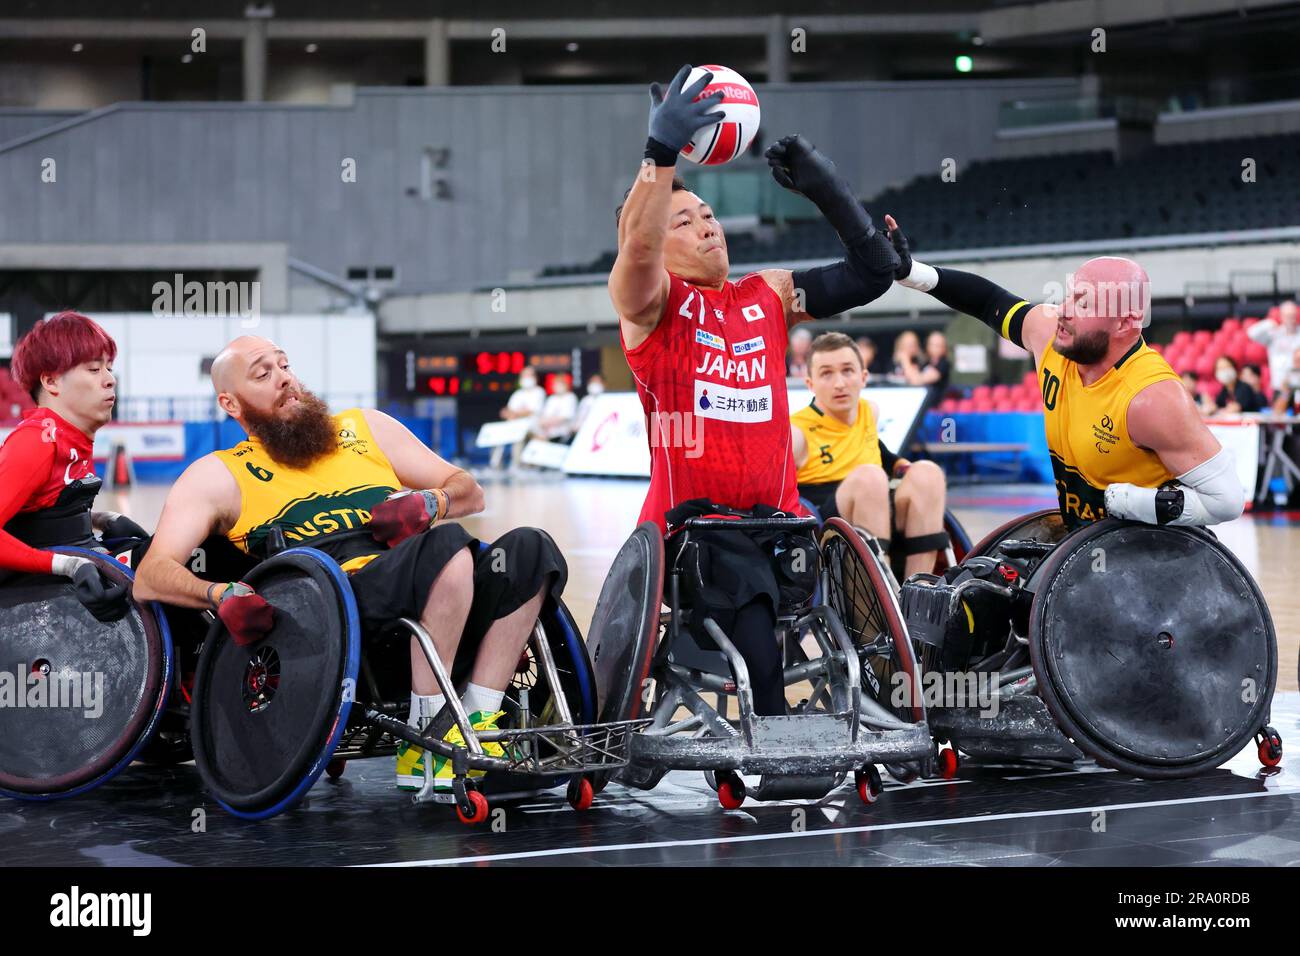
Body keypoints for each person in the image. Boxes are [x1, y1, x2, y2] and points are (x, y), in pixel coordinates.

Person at [133, 335, 568, 793]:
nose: (284, 378)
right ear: (231, 402)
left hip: (432, 577)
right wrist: (217, 593)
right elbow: (151, 574)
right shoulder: (219, 474)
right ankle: (428, 738)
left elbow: (468, 490)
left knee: (529, 549)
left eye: (284, 365)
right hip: (336, 604)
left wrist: (431, 501)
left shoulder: (364, 427)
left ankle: (479, 720)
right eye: (263, 374)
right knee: (444, 548)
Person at [609, 64, 899, 716]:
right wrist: (658, 156)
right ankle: (771, 743)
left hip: (783, 526)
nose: (707, 224)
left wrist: (826, 189)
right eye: (684, 222)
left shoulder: (765, 293)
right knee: (760, 650)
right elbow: (637, 253)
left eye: (709, 213)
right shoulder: (649, 305)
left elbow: (874, 272)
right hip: (699, 537)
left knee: (832, 606)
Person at [887, 215, 1243, 530]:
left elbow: (1226, 500)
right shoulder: (1050, 333)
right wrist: (914, 274)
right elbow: (988, 302)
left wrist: (1129, 504)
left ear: (1124, 322)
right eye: (1069, 296)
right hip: (1086, 546)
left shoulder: (1152, 398)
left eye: (1083, 302)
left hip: (1152, 558)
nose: (1064, 311)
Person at [0, 312, 146, 621]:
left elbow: (39, 512)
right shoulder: (37, 441)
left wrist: (103, 519)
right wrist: (66, 565)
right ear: (51, 381)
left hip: (82, 555)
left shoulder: (76, 437)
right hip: (34, 603)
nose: (110, 379)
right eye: (94, 369)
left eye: (109, 367)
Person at [791, 332, 949, 578]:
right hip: (828, 519)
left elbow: (876, 447)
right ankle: (878, 603)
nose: (839, 383)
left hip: (879, 506)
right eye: (826, 373)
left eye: (847, 371)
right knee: (871, 478)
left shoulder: (869, 411)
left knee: (928, 472)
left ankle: (919, 595)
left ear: (863, 377)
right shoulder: (796, 432)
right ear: (810, 383)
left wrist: (900, 465)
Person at [489, 367, 546, 470]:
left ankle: (517, 465)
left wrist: (516, 413)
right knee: (496, 434)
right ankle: (495, 465)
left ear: (535, 378)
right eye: (525, 375)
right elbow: (508, 411)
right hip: (514, 425)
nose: (527, 378)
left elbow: (531, 411)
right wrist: (510, 413)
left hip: (533, 427)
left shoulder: (539, 392)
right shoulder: (517, 394)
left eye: (530, 375)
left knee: (518, 435)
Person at [1247, 299, 1300, 391]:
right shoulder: (1275, 333)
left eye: (1293, 315)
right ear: (1281, 316)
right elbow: (1251, 333)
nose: (1291, 319)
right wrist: (1269, 323)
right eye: (1288, 316)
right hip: (1280, 386)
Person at [529, 374, 578, 441]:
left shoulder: (571, 397)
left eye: (561, 383)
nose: (558, 386)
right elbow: (544, 416)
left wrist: (547, 423)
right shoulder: (551, 399)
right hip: (546, 434)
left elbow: (565, 417)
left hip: (562, 434)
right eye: (556, 383)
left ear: (566, 384)